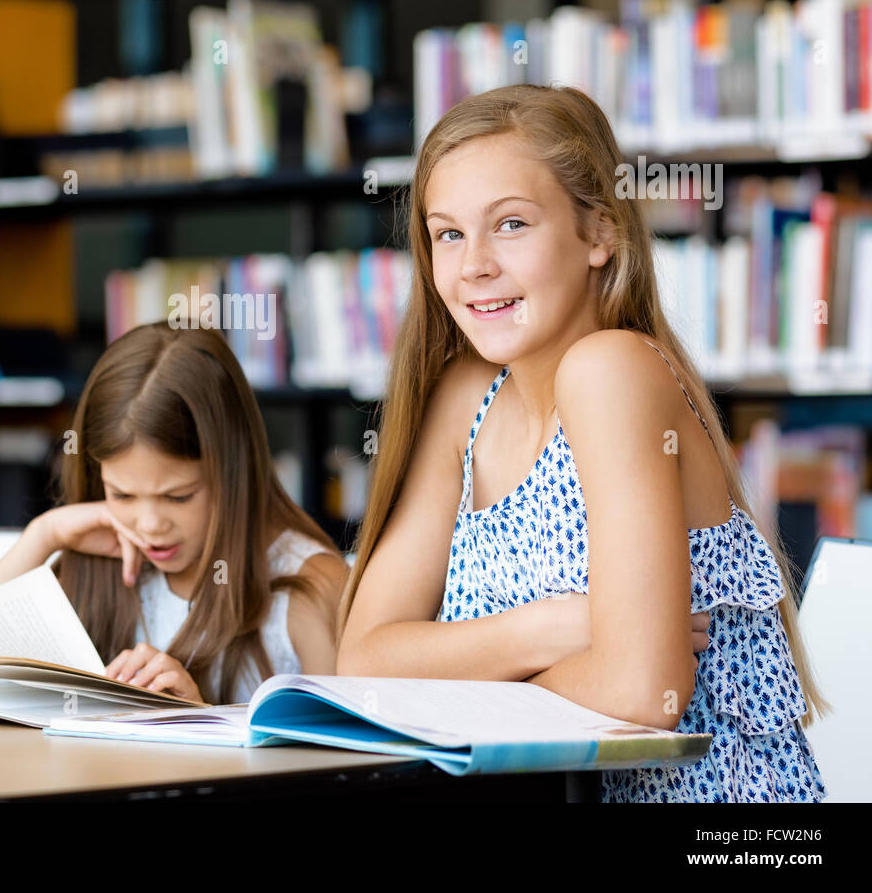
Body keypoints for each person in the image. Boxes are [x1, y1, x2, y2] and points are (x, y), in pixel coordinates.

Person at [337, 83, 828, 802]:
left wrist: (447, 683)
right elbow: (364, 660)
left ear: (600, 233)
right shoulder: (465, 399)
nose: (473, 264)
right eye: (448, 233)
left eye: (510, 224)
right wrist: (554, 629)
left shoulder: (613, 372)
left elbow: (643, 690)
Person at [0, 322, 347, 704]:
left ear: (235, 471)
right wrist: (44, 534)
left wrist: (200, 719)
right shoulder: (95, 555)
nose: (150, 526)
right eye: (122, 495)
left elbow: (353, 758)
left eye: (178, 497)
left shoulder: (308, 585)